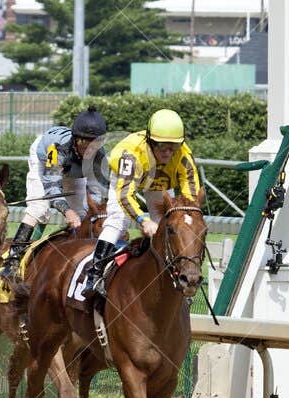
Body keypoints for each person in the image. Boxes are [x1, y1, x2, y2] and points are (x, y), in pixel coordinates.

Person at [79, 108, 203, 300]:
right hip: (127, 184)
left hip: (158, 185)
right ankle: (94, 274)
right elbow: (125, 196)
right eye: (162, 146)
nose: (168, 152)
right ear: (150, 141)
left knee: (170, 224)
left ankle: (174, 273)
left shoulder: (184, 157)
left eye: (173, 147)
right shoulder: (131, 155)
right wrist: (143, 220)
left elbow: (190, 199)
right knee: (117, 221)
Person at [3, 106, 107, 277]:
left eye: (93, 144)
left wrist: (93, 210)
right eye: (83, 142)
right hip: (44, 160)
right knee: (39, 209)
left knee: (83, 212)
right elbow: (52, 188)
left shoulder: (99, 157)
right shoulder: (57, 149)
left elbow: (98, 193)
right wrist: (67, 211)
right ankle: (13, 259)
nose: (87, 150)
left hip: (72, 169)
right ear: (75, 139)